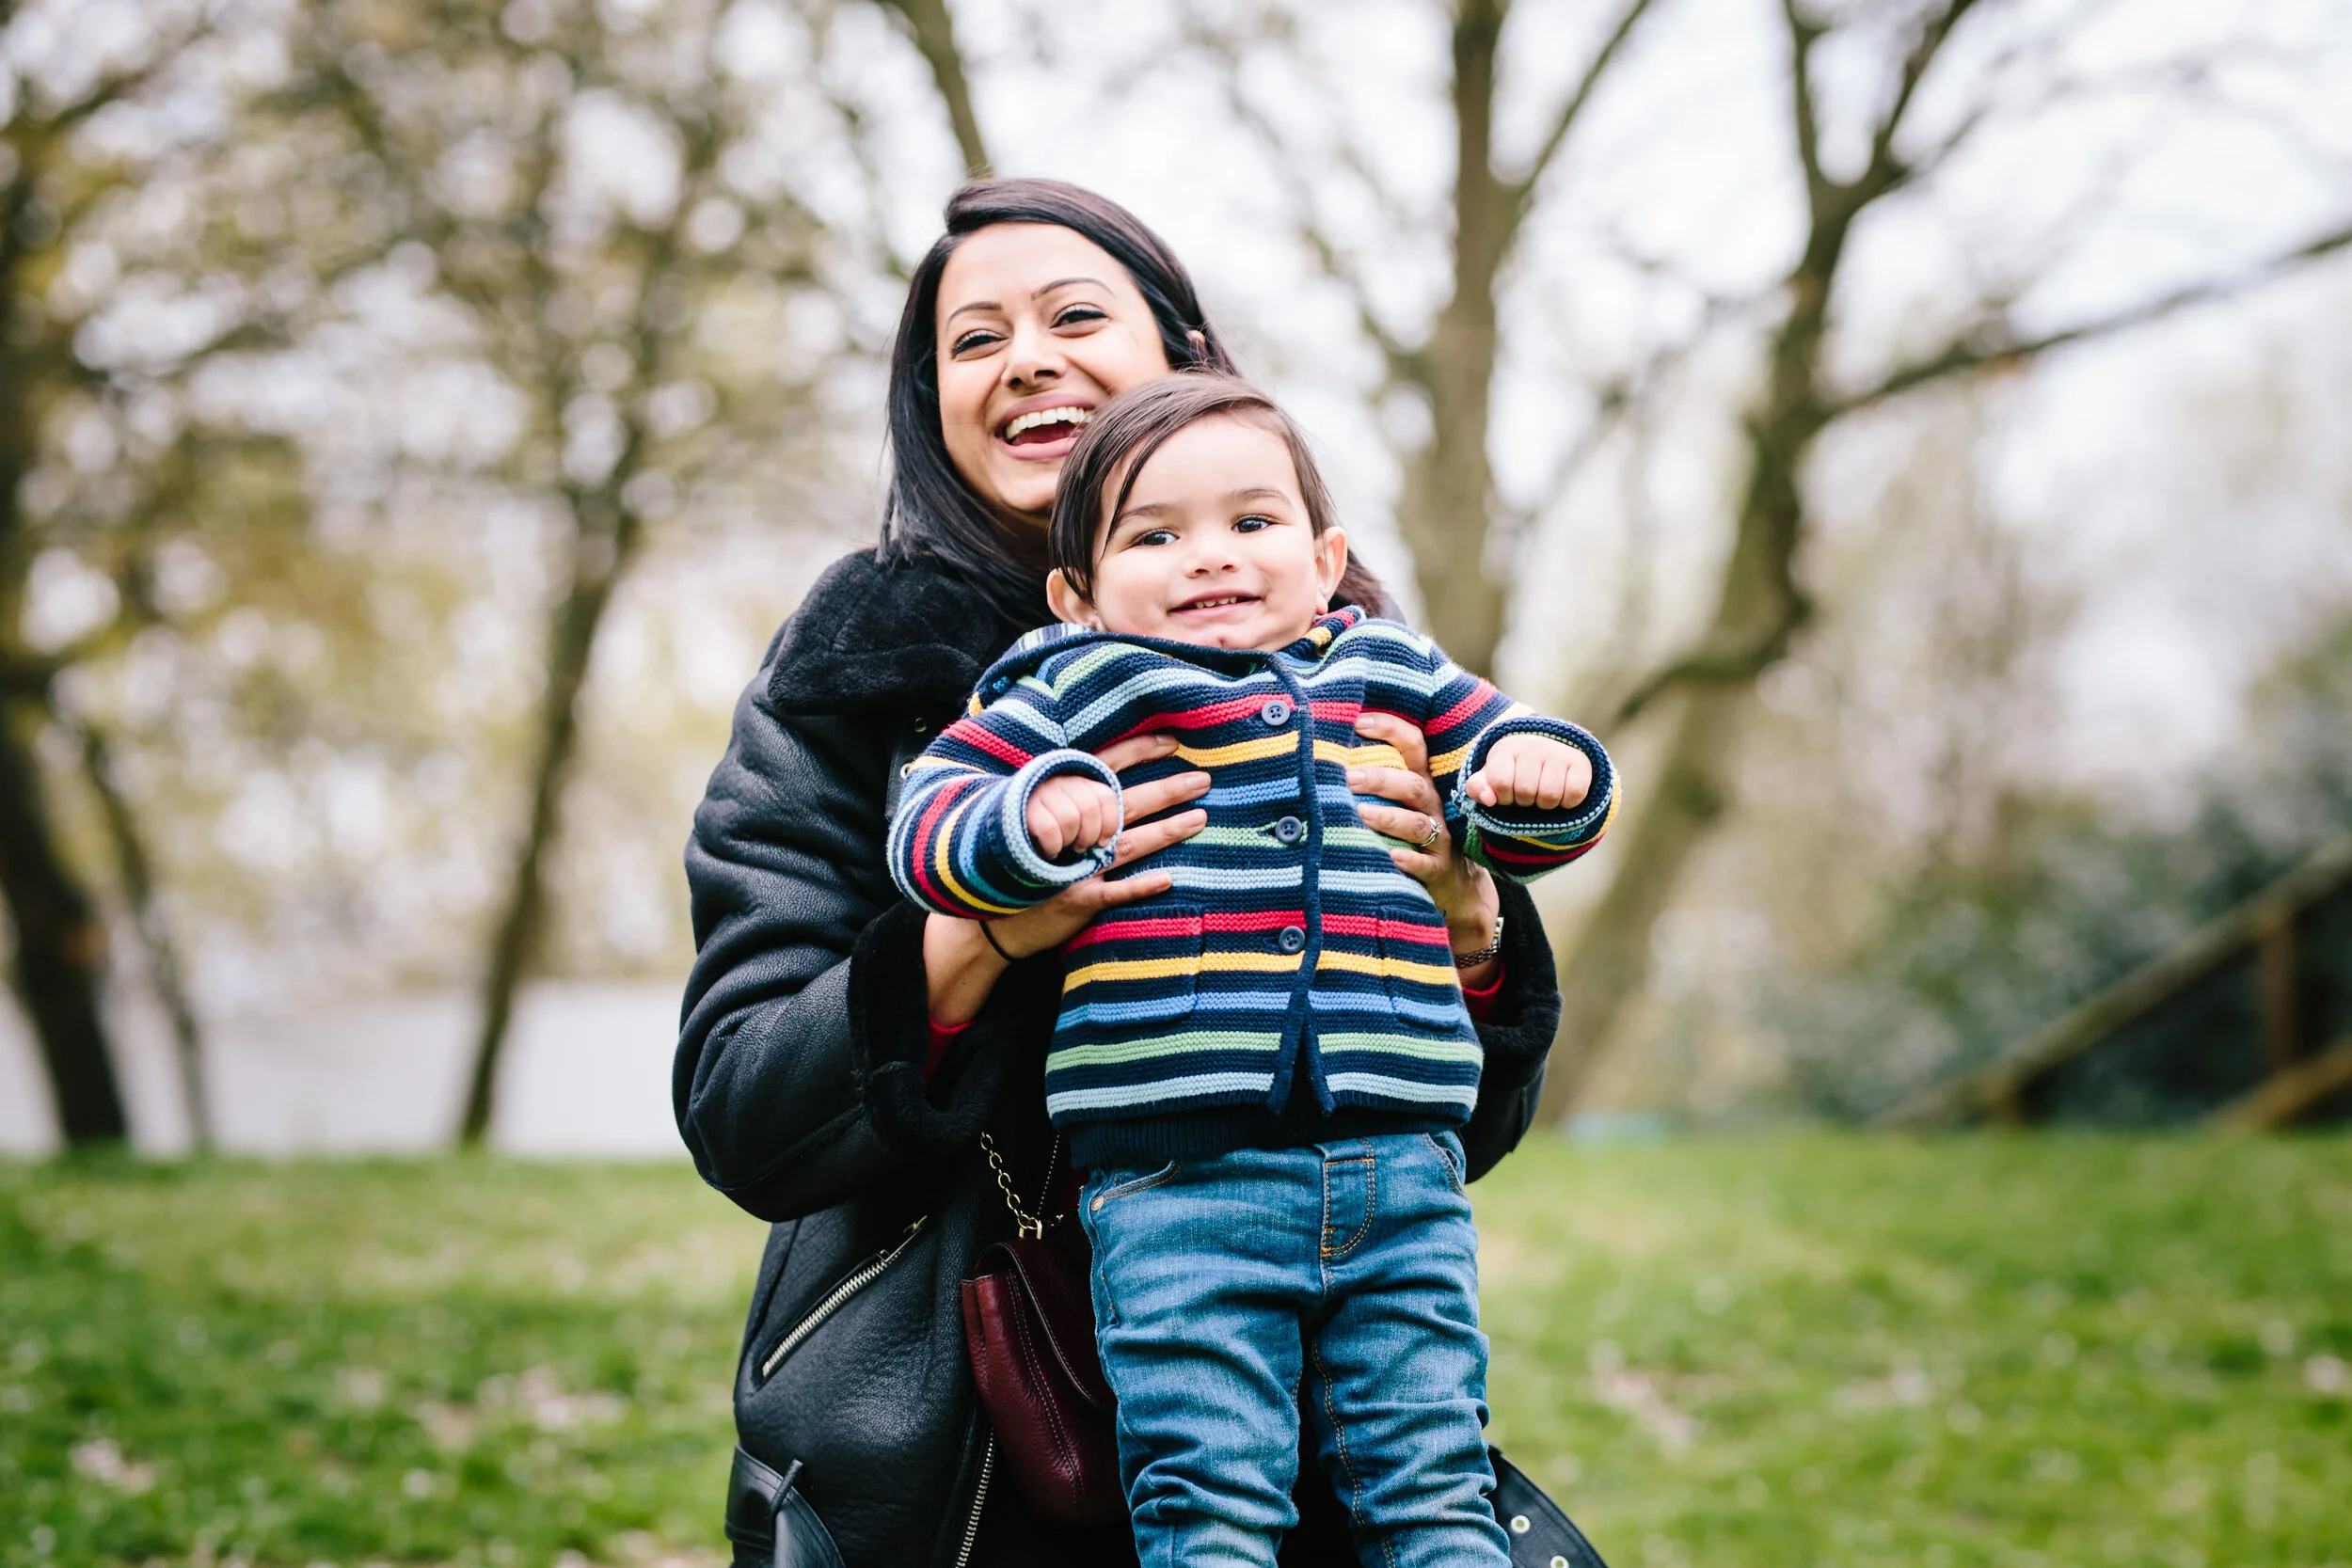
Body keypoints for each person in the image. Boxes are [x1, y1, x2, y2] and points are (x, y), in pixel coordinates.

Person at [677, 179, 1573, 1568]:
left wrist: (1474, 926)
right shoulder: (857, 671)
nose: (1025, 356)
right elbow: (744, 1102)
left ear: (1186, 365)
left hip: (1316, 1414)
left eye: (1075, 314)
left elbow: (1468, 1124)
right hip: (965, 1440)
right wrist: (982, 936)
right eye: (974, 341)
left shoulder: (1347, 664)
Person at [888, 374, 1614, 1566]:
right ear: (1077, 594)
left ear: (1327, 558)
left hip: (1402, 1176)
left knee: (1433, 1483)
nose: (1209, 558)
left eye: (1252, 521)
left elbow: (1519, 799)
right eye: (1155, 534)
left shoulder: (1394, 671)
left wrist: (1541, 772)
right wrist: (1030, 816)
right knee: (1208, 1499)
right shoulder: (1074, 683)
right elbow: (931, 814)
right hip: (1175, 1182)